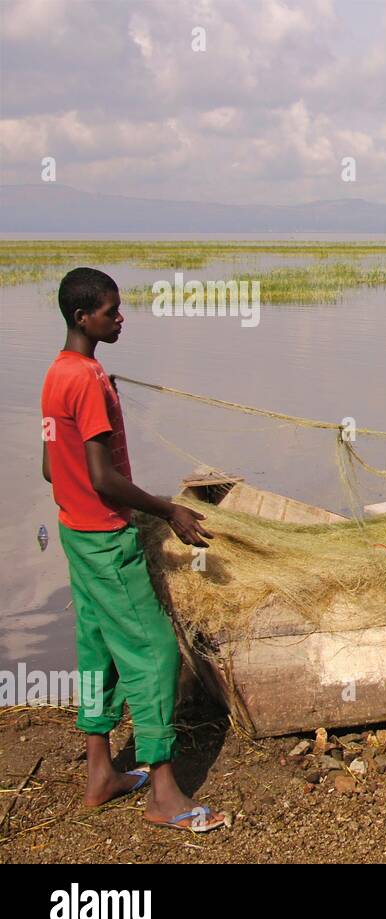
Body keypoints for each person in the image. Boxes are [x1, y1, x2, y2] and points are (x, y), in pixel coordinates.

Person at [40, 267, 226, 832]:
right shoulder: (87, 381)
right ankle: (163, 792)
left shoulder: (56, 374)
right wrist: (167, 508)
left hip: (73, 533)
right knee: (154, 655)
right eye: (111, 311)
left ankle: (101, 774)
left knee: (97, 646)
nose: (120, 318)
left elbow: (52, 468)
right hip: (104, 537)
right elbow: (102, 478)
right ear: (83, 317)